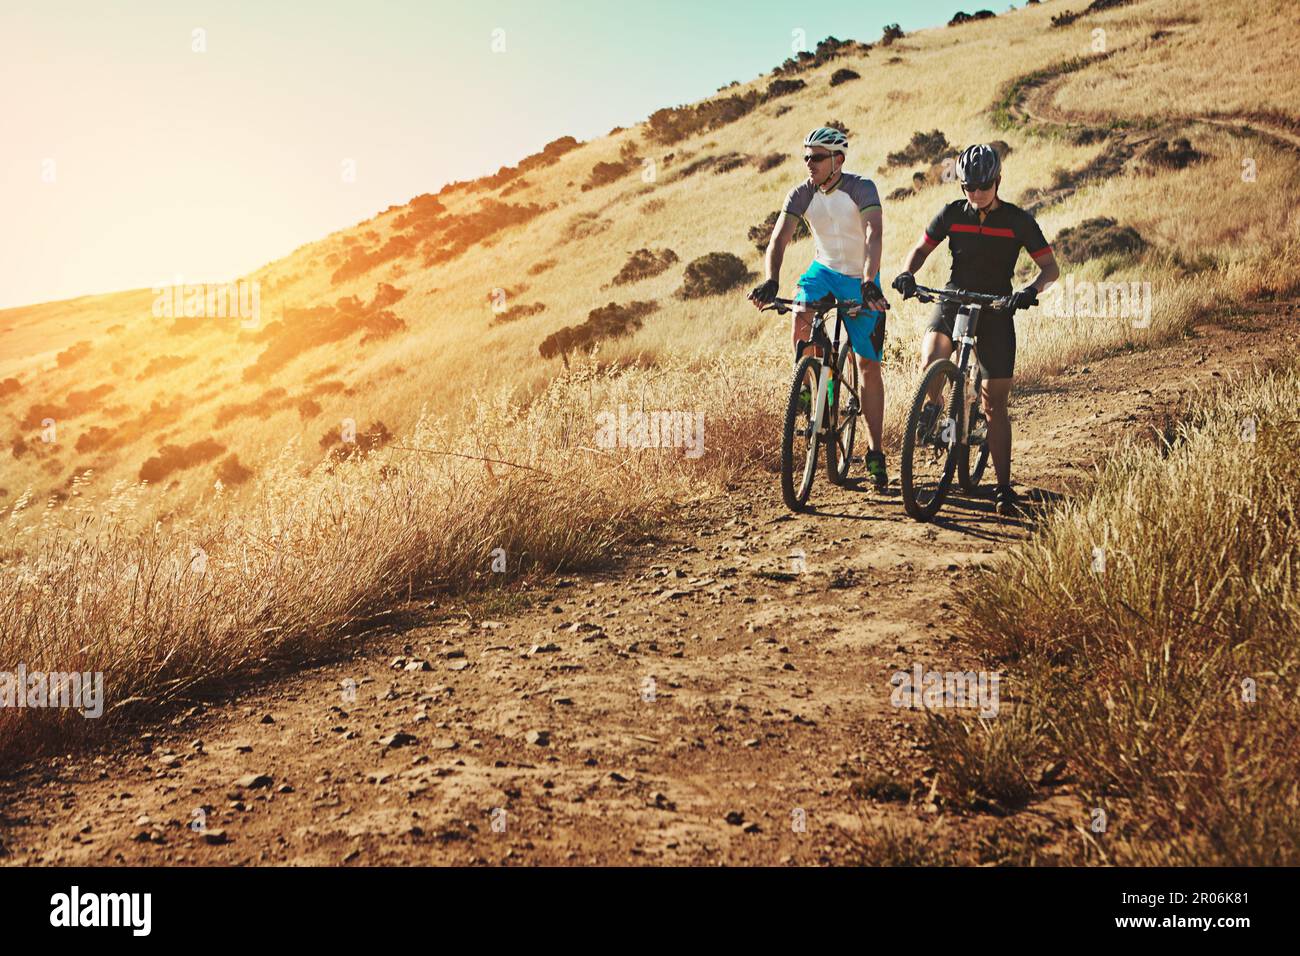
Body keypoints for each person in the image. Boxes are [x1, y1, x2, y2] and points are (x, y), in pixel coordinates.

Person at [892, 144, 1059, 515]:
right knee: (932, 359)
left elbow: (1050, 269)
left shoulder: (1018, 221)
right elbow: (921, 249)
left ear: (997, 182)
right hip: (954, 296)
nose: (976, 193)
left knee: (993, 405)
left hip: (998, 306)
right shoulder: (952, 214)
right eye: (969, 186)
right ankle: (934, 411)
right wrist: (908, 273)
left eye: (983, 186)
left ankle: (1002, 489)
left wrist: (1029, 292)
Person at [747, 126, 892, 491]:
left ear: (838, 159)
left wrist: (870, 281)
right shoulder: (801, 192)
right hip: (823, 271)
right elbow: (779, 238)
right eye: (805, 157)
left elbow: (873, 234)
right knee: (800, 311)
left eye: (816, 157)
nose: (808, 164)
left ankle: (875, 452)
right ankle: (812, 384)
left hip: (859, 277)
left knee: (867, 366)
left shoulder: (862, 189)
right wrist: (771, 279)